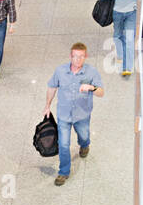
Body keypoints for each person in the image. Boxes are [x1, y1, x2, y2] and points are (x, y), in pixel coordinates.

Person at [44, 42, 105, 186]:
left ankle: (85, 145)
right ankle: (63, 172)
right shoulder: (60, 71)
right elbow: (52, 87)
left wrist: (91, 87)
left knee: (83, 135)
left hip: (82, 115)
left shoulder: (91, 72)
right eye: (75, 57)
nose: (78, 60)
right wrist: (47, 106)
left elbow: (101, 93)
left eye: (81, 57)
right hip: (63, 115)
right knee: (64, 144)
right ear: (70, 56)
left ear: (86, 56)